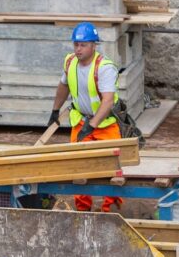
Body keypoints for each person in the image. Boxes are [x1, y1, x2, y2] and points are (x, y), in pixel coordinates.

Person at [48, 21, 123, 213]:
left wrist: (93, 124)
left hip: (106, 125)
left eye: (83, 45)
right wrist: (55, 110)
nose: (78, 49)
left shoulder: (104, 68)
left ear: (93, 45)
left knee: (112, 170)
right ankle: (83, 211)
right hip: (81, 121)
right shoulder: (70, 62)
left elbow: (108, 101)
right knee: (79, 169)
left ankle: (110, 211)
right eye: (76, 44)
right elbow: (63, 86)